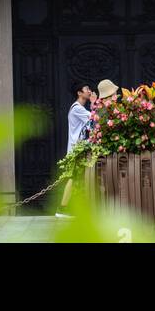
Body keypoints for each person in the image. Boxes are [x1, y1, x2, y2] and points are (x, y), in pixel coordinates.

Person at [56, 83, 95, 217]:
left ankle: (69, 208)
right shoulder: (77, 108)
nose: (89, 91)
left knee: (78, 179)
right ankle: (62, 208)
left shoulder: (79, 108)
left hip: (78, 149)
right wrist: (94, 103)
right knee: (74, 178)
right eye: (87, 89)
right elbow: (94, 120)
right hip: (76, 150)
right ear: (80, 93)